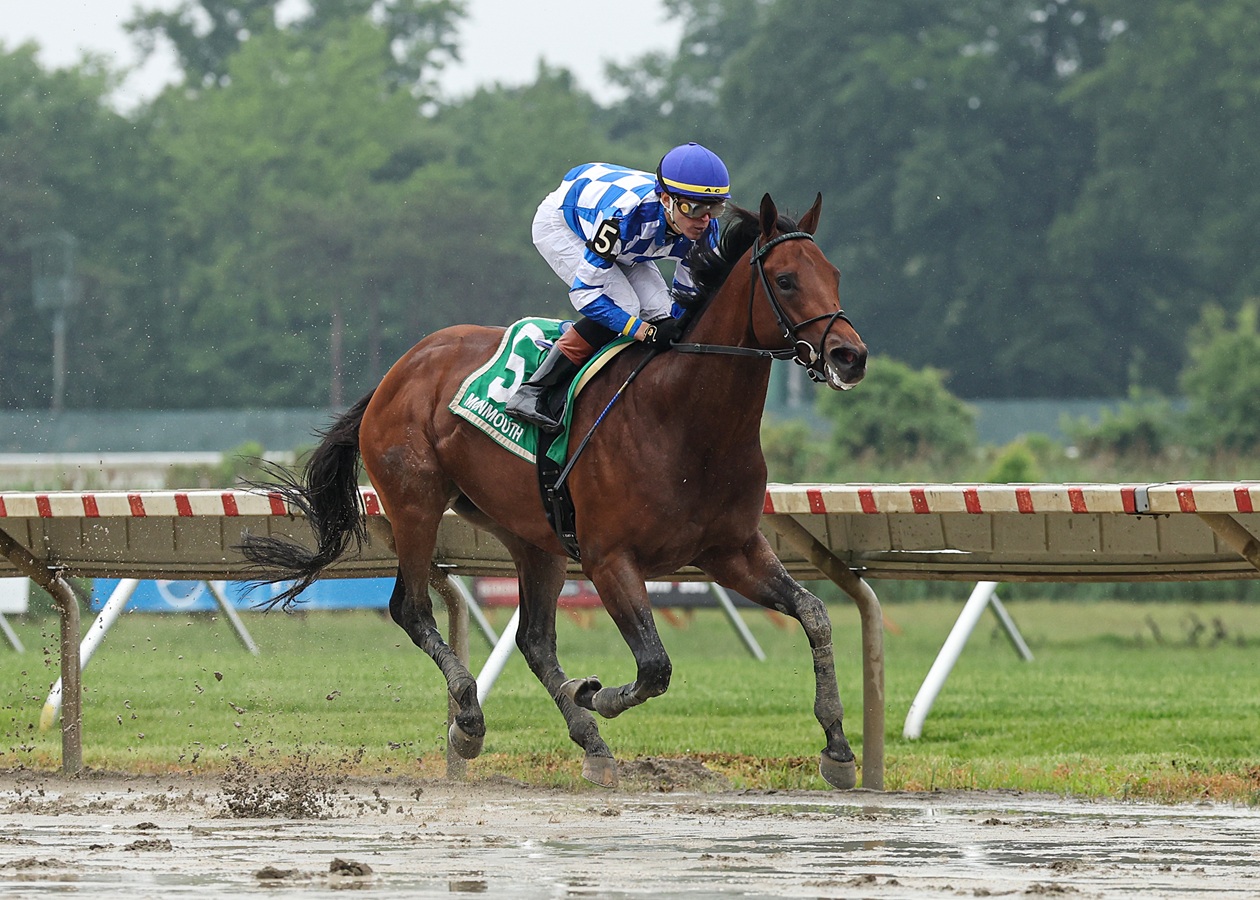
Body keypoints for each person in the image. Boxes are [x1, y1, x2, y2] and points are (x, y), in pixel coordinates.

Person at [505, 141, 731, 433]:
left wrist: (667, 328)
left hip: (628, 243)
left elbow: (687, 295)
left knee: (661, 311)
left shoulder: (706, 229)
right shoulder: (623, 218)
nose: (704, 219)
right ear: (666, 200)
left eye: (715, 207)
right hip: (563, 225)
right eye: (694, 207)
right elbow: (585, 294)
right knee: (626, 308)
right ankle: (533, 390)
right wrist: (645, 332)